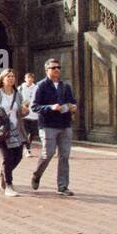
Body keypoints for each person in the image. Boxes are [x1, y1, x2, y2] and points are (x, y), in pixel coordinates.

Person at [30, 58, 76, 197]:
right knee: (48, 154)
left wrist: (73, 107)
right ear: (47, 70)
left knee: (64, 156)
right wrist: (50, 107)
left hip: (65, 125)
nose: (57, 70)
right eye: (53, 68)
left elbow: (72, 102)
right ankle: (37, 175)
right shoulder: (41, 86)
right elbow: (34, 106)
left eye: (58, 67)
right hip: (48, 125)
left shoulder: (65, 86)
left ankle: (62, 186)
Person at [0, 69, 27, 197]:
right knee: (7, 157)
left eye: (13, 76)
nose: (11, 78)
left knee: (18, 157)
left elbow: (20, 112)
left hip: (16, 130)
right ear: (2, 79)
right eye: (8, 76)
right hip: (1, 130)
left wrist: (24, 111)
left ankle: (1, 174)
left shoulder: (17, 94)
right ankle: (9, 186)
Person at [18, 71, 40, 158]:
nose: (30, 79)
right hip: (24, 114)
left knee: (32, 132)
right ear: (25, 79)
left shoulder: (37, 88)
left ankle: (27, 146)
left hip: (34, 114)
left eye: (31, 78)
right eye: (28, 78)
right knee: (25, 131)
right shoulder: (20, 88)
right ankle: (28, 149)